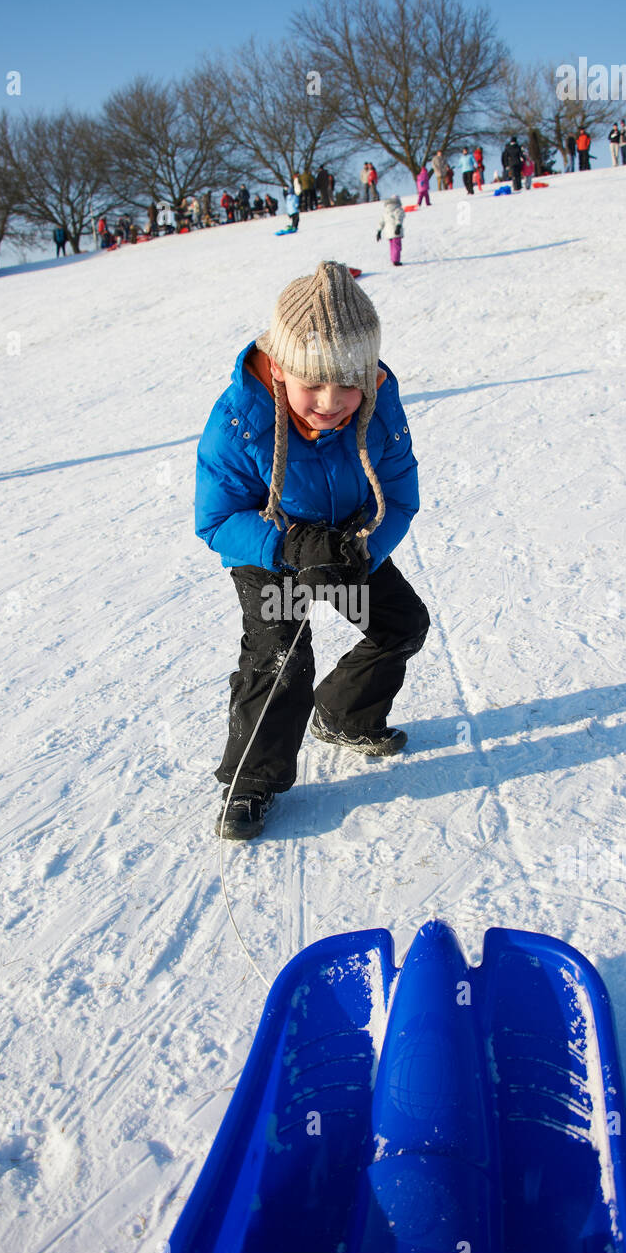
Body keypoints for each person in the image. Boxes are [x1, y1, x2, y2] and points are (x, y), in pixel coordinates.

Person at [194, 260, 428, 839]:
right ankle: (249, 780)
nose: (331, 401)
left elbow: (399, 496)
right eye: (313, 383)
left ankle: (344, 713)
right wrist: (288, 546)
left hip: (348, 541)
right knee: (281, 656)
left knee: (402, 623)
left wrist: (362, 552)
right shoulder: (240, 419)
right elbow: (217, 518)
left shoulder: (379, 406)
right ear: (278, 369)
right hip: (271, 554)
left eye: (349, 381)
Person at [376, 194, 405, 266]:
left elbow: (381, 222)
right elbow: (399, 218)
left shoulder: (386, 211)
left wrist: (379, 231)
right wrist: (398, 226)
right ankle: (396, 260)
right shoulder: (398, 209)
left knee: (392, 246)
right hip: (395, 230)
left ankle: (393, 259)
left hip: (388, 232)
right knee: (397, 246)